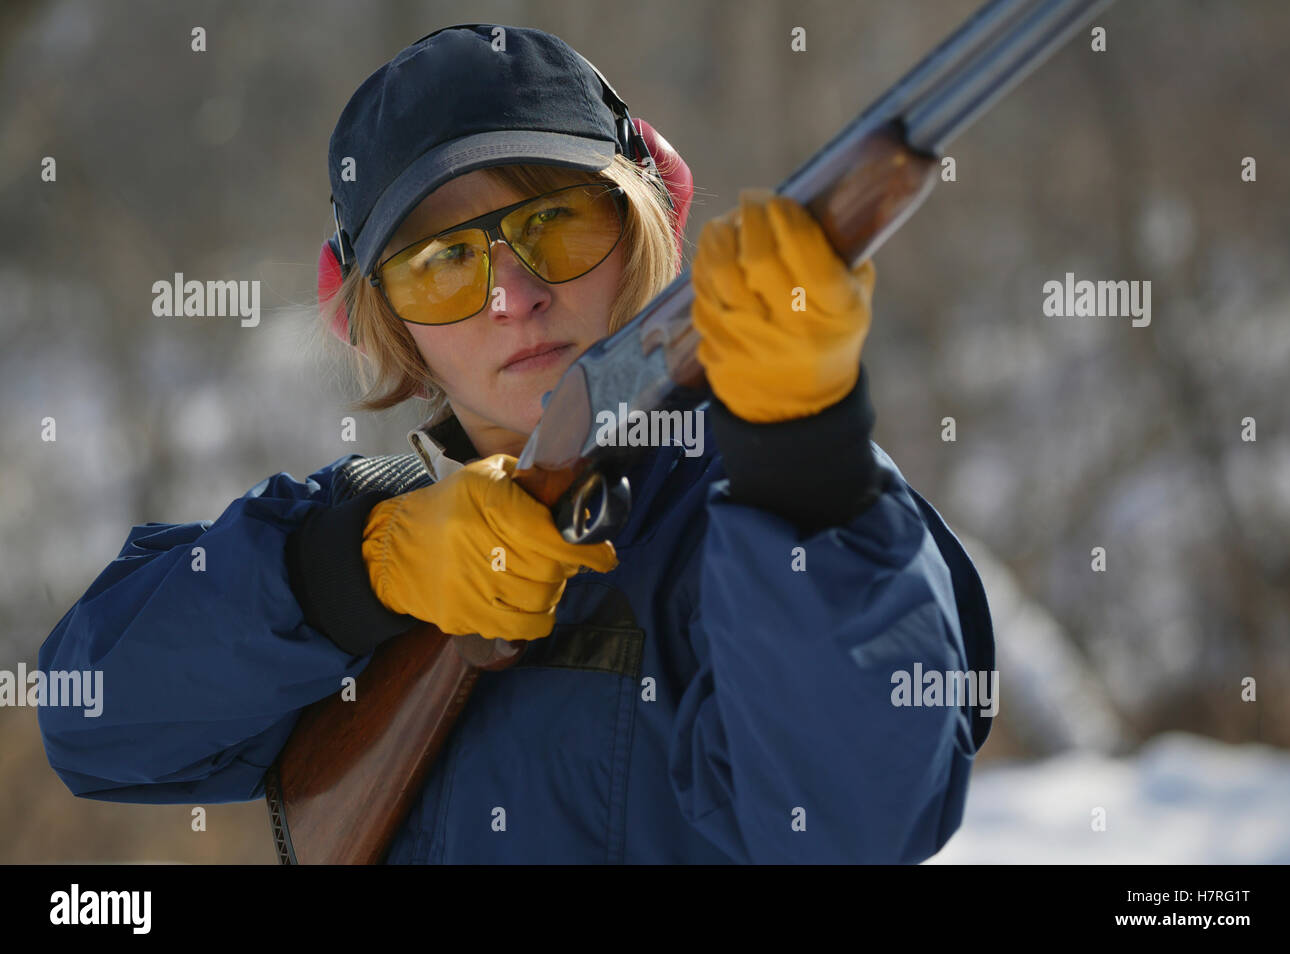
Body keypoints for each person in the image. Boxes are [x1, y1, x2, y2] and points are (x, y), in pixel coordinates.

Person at [37, 24, 995, 864]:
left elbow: (857, 822)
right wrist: (360, 577)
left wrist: (803, 456)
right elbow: (91, 719)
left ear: (644, 220)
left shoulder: (766, 502)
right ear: (379, 320)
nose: (514, 296)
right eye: (444, 263)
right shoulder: (357, 530)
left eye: (556, 223)